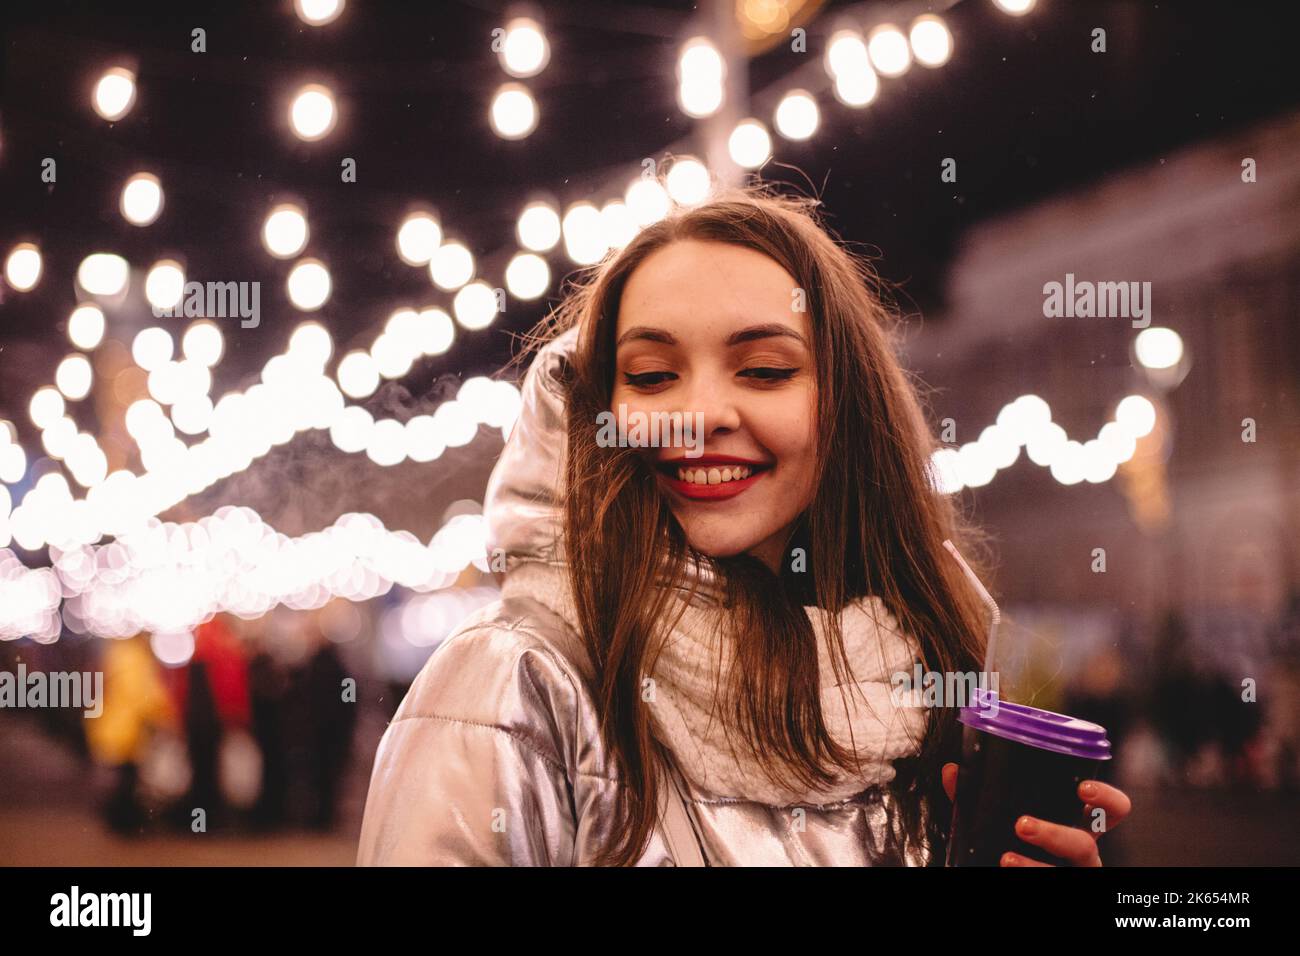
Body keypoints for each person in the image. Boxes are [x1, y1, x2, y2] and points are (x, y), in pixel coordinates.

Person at [357, 184, 1132, 866]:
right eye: (653, 376)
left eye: (764, 370)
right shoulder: (512, 682)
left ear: (847, 406)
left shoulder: (942, 660)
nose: (699, 416)